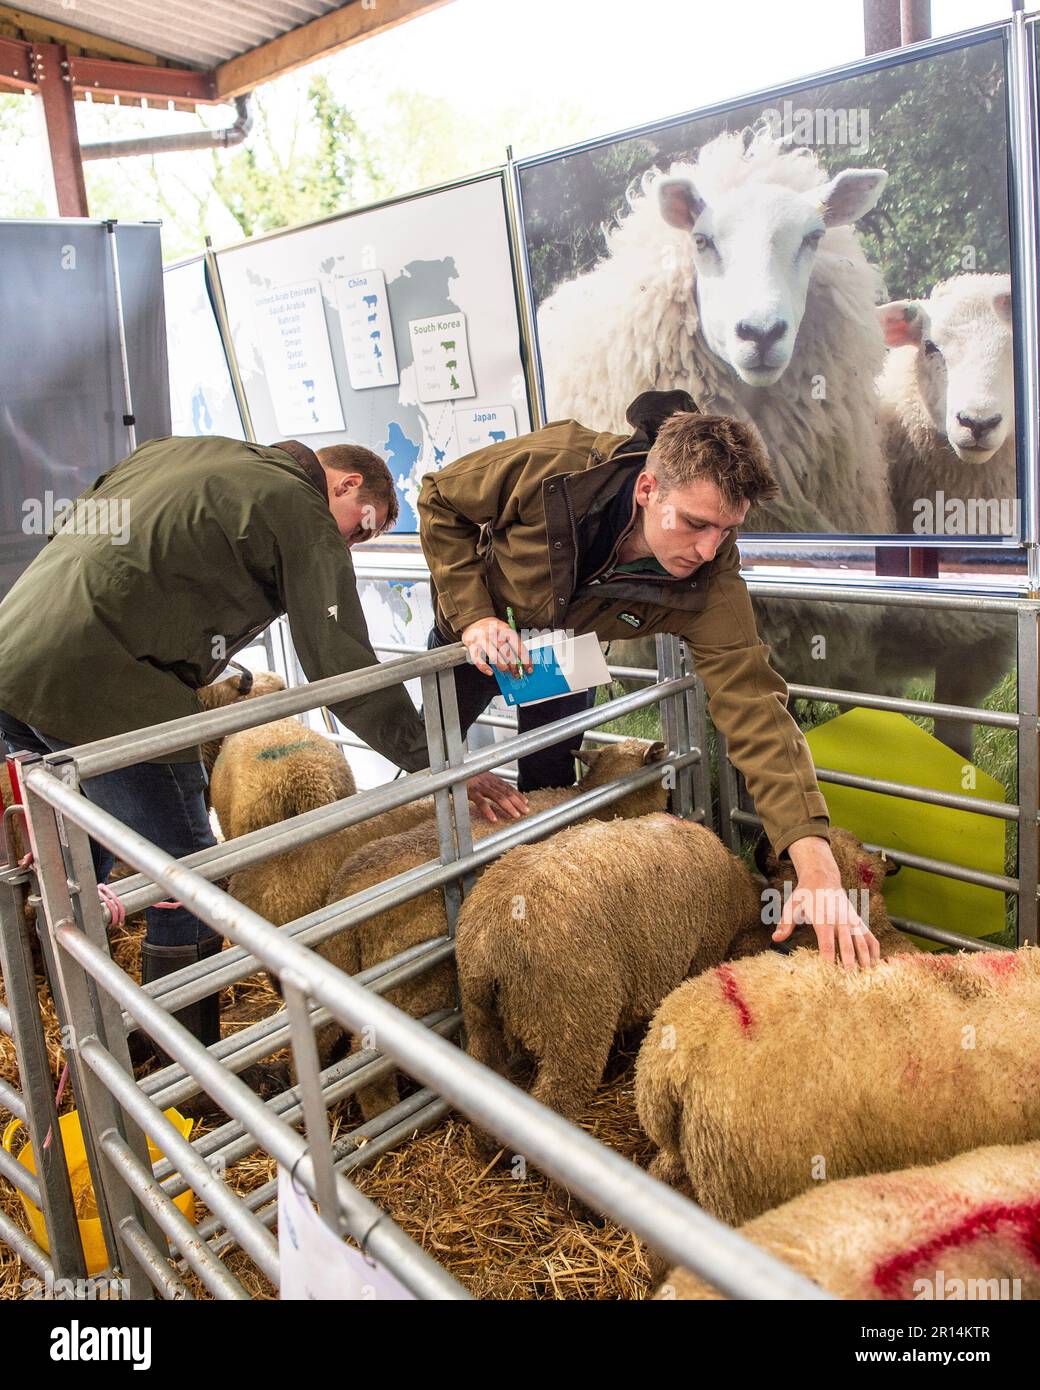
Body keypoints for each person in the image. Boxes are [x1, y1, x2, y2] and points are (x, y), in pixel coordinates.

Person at [0, 435, 524, 1055]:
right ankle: (175, 1068)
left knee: (77, 860)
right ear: (346, 485)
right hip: (102, 687)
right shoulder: (297, 506)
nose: (351, 546)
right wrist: (436, 761)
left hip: (14, 657)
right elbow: (342, 668)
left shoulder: (187, 452)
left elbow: (81, 526)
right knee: (187, 877)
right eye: (362, 531)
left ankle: (66, 1021)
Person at [419, 390, 880, 969]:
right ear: (647, 490)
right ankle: (429, 939)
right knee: (430, 773)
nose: (709, 548)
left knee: (549, 789)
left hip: (561, 654)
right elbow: (440, 497)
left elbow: (755, 707)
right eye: (695, 523)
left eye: (727, 529)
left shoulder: (711, 575)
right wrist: (473, 614)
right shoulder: (556, 465)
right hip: (478, 636)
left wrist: (814, 862)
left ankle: (532, 941)